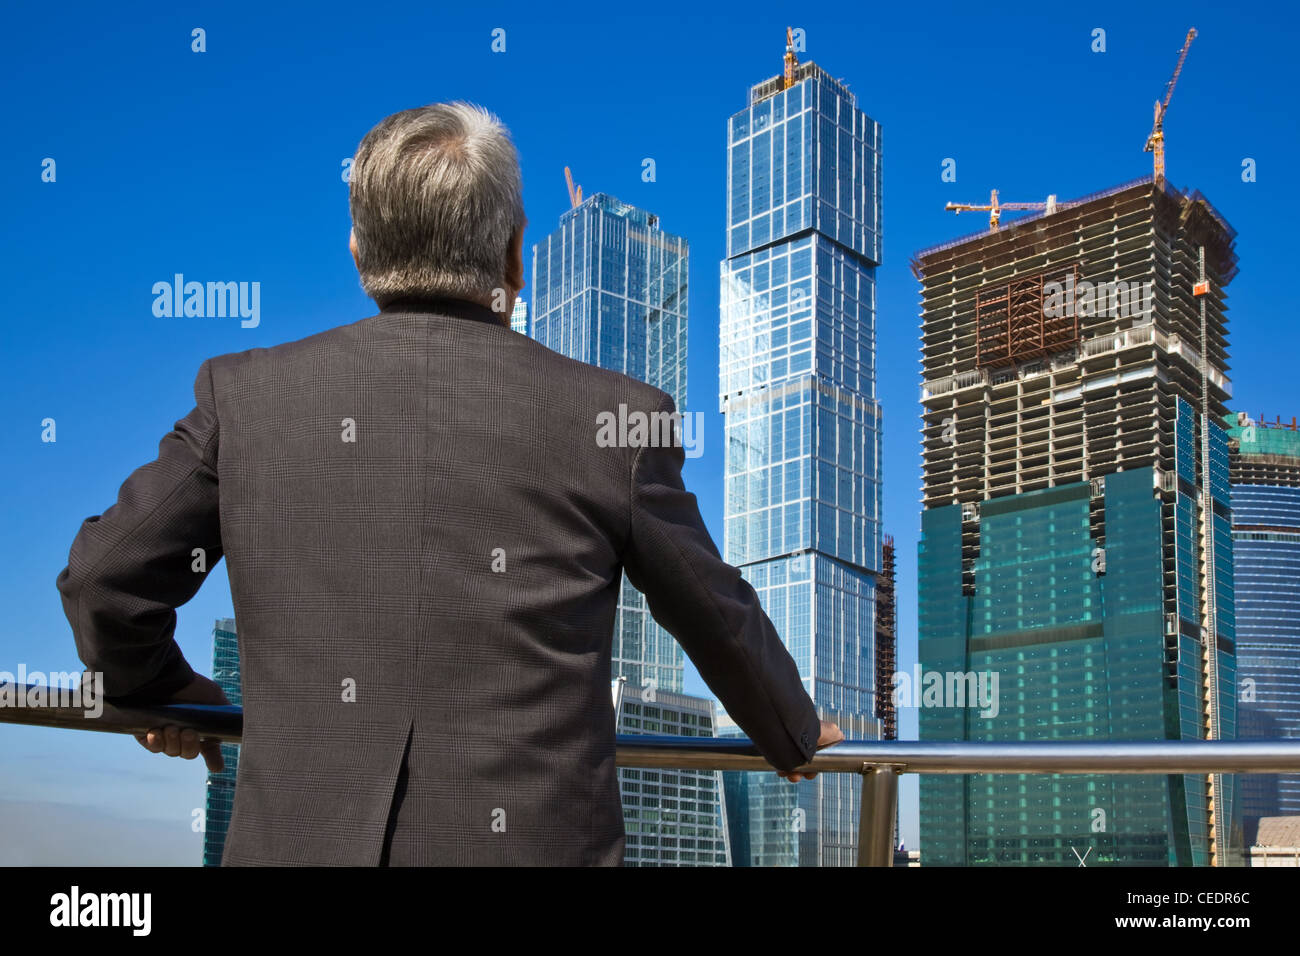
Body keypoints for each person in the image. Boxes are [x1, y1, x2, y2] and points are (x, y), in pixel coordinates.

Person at [55, 101, 843, 866]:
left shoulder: (246, 396)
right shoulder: (617, 417)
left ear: (359, 250)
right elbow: (710, 607)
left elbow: (103, 580)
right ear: (515, 254)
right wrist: (792, 730)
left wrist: (163, 689)